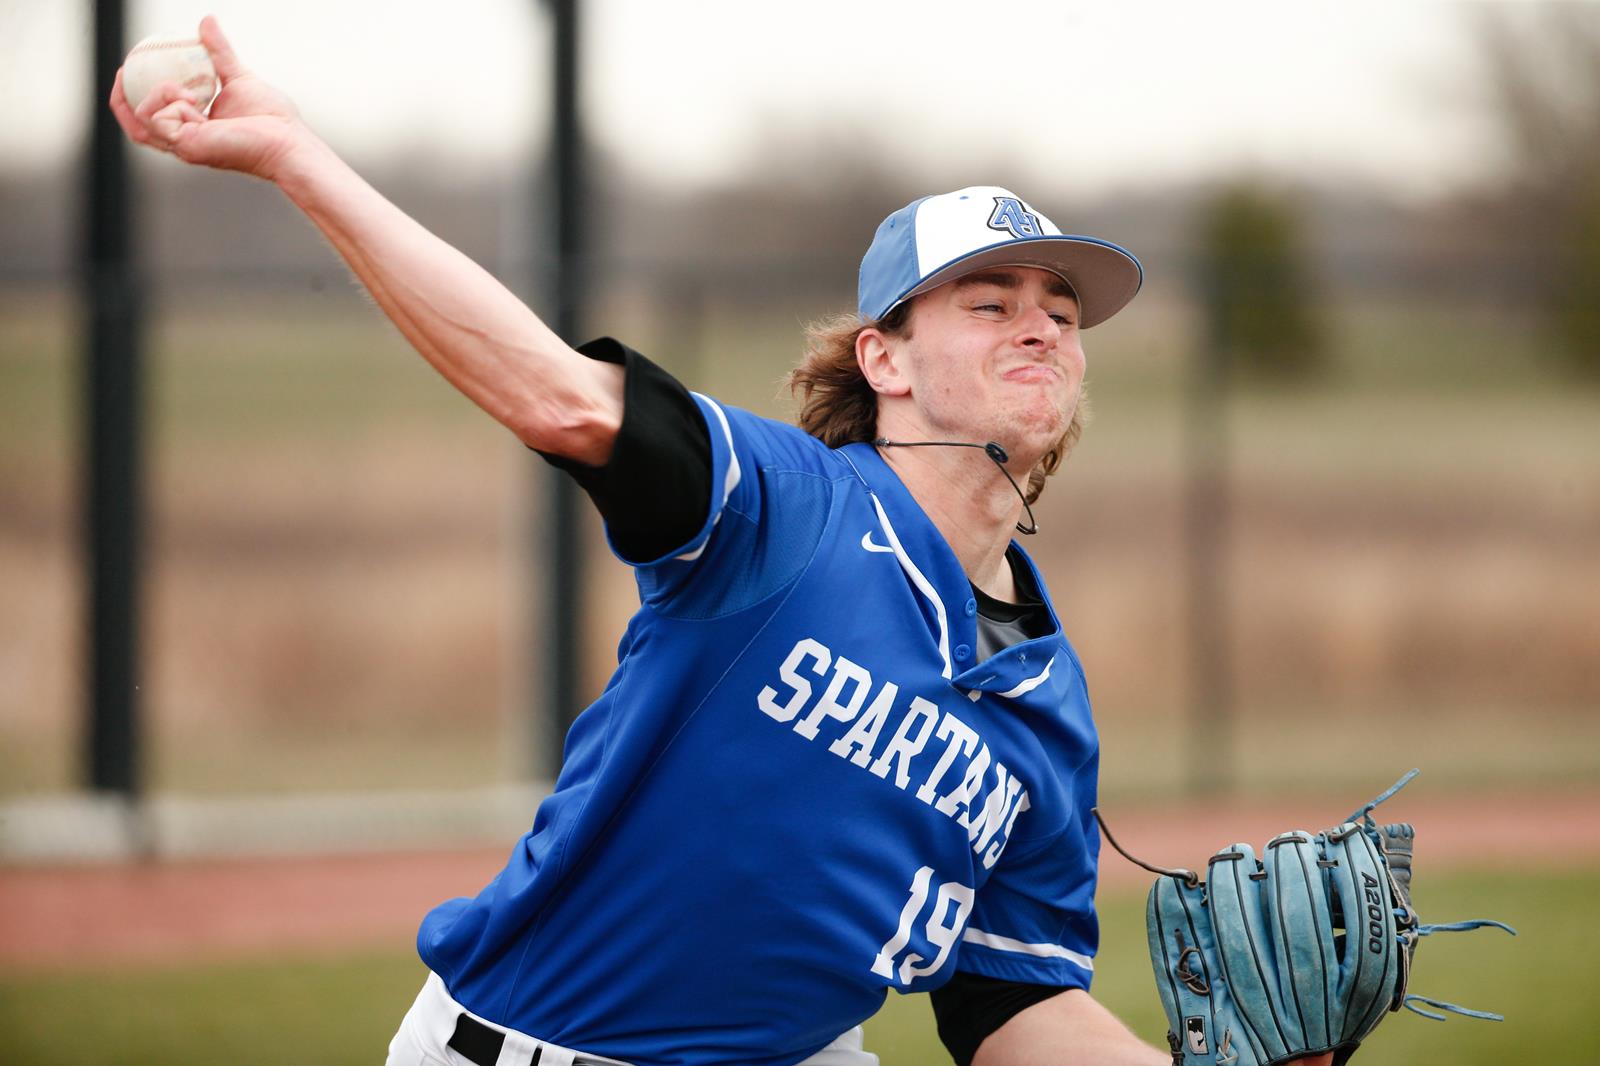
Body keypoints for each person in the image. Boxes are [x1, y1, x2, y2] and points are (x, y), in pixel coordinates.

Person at [112, 18, 1336, 1066]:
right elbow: (555, 394)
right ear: (884, 358)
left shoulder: (1045, 701)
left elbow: (1009, 1000)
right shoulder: (782, 506)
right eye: (990, 303)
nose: (1041, 329)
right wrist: (292, 156)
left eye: (1060, 312)